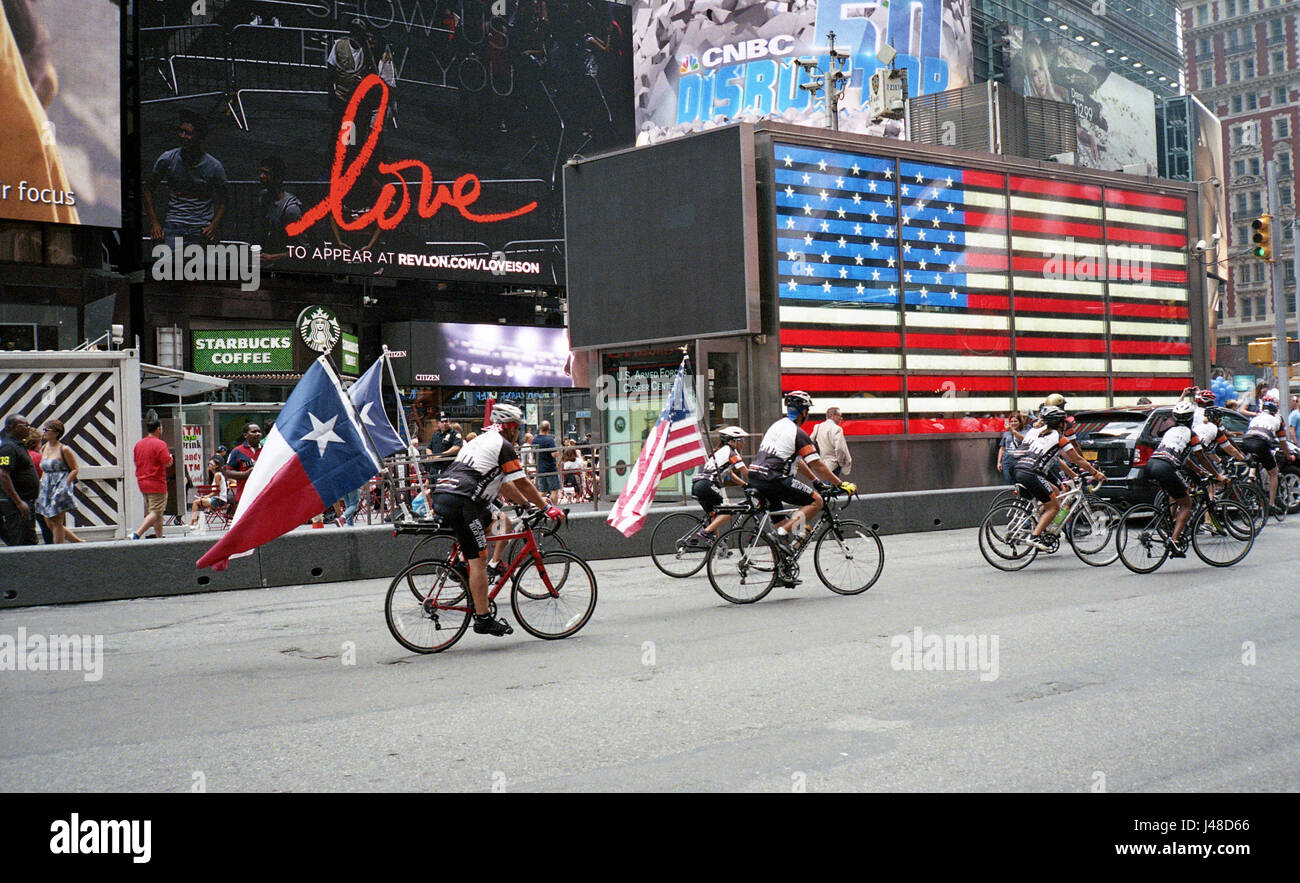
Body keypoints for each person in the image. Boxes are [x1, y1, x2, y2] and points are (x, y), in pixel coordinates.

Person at [430, 403, 563, 637]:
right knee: (478, 561)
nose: (519, 432)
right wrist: (546, 508)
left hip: (447, 494)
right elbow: (522, 482)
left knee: (497, 522)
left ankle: (461, 566)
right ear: (510, 427)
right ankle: (483, 618)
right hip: (464, 502)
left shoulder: (479, 441)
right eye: (517, 428)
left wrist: (524, 504)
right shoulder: (503, 445)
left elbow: (504, 483)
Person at [746, 392, 855, 584]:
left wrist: (815, 481)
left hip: (756, 477)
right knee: (817, 501)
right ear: (803, 412)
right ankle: (782, 533)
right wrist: (839, 484)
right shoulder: (799, 433)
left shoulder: (777, 426)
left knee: (780, 522)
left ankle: (780, 574)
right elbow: (818, 464)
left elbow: (800, 461)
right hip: (775, 479)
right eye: (808, 410)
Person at [1014, 406, 1106, 552]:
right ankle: (1035, 536)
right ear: (1060, 423)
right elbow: (1077, 459)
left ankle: (1040, 521)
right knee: (1054, 507)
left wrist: (1072, 474)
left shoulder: (1036, 432)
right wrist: (1096, 474)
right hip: (1033, 473)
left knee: (1056, 491)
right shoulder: (1059, 438)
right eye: (1064, 421)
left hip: (1019, 469)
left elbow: (1058, 459)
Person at [1142, 401, 1225, 556]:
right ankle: (1174, 540)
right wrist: (1217, 475)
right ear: (1191, 418)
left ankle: (1170, 521)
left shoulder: (1170, 431)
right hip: (1166, 467)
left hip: (1151, 464)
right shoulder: (1191, 434)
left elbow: (1185, 458)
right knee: (1187, 503)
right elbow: (1202, 458)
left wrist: (1198, 471)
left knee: (1174, 495)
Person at [143, 109, 228, 246]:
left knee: (206, 267)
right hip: (174, 226)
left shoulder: (214, 166)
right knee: (167, 266)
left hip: (201, 228)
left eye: (188, 133)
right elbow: (148, 189)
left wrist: (213, 226)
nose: (182, 136)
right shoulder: (167, 159)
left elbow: (225, 200)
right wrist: (154, 223)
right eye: (181, 131)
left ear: (199, 137)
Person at [690, 426, 749, 545]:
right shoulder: (732, 453)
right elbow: (745, 471)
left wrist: (745, 485)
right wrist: (759, 482)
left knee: (715, 514)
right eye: (741, 440)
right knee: (729, 510)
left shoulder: (721, 451)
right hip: (707, 485)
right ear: (732, 441)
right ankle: (706, 532)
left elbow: (731, 474)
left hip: (698, 485)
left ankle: (717, 546)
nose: (743, 443)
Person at [1240, 398, 1291, 513]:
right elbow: (1283, 442)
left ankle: (1249, 480)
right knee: (1273, 473)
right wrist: (1288, 456)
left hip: (1246, 442)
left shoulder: (1256, 417)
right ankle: (1271, 504)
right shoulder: (1278, 419)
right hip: (1261, 443)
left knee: (1254, 462)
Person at [35, 419, 81, 544]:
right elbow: (43, 468)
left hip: (60, 485)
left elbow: (75, 469)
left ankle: (58, 550)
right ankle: (78, 542)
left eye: (46, 430)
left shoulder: (64, 449)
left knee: (57, 520)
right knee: (48, 521)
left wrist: (65, 484)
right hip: (46, 485)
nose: (43, 432)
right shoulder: (44, 447)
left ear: (56, 432)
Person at [255, 155, 304, 264]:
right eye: (261, 172)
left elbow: (302, 250)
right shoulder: (263, 198)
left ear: (278, 177)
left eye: (267, 173)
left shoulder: (291, 210)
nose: (261, 176)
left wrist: (273, 258)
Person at [0, 414, 40, 546]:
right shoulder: (8, 448)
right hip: (17, 504)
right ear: (11, 428)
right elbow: (3, 475)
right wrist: (18, 502)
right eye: (24, 426)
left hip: (26, 501)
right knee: (19, 541)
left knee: (30, 540)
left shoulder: (18, 445)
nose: (28, 428)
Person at [130, 417, 173, 540]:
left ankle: (159, 538)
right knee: (155, 512)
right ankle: (137, 534)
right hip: (157, 482)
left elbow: (136, 460)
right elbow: (167, 462)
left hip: (142, 481)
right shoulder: (160, 444)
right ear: (158, 429)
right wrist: (171, 458)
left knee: (157, 512)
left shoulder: (139, 444)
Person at [223, 422, 263, 506]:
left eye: (259, 431)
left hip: (263, 496)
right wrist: (245, 474)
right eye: (254, 432)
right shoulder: (237, 451)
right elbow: (228, 472)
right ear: (245, 435)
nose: (257, 434)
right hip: (244, 497)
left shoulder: (266, 449)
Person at [187, 455, 229, 532]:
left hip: (219, 500)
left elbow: (217, 491)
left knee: (196, 503)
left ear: (216, 466)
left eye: (211, 464)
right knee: (197, 502)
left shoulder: (217, 475)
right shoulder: (217, 475)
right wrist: (206, 496)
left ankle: (193, 523)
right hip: (218, 499)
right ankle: (194, 523)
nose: (209, 466)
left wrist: (206, 496)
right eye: (208, 464)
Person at [810, 406, 852, 478]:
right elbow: (840, 448)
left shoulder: (818, 427)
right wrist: (841, 462)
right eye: (839, 416)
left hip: (821, 464)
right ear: (833, 416)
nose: (841, 418)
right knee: (832, 485)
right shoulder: (837, 429)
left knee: (826, 485)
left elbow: (810, 442)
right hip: (834, 464)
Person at [532, 420, 560, 504]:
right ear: (548, 429)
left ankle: (538, 506)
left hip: (540, 469)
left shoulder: (535, 440)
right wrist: (557, 452)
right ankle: (554, 508)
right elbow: (554, 454)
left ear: (540, 428)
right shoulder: (550, 440)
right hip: (550, 469)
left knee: (542, 491)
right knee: (554, 490)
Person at [997, 412, 1026, 486]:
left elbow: (1023, 439)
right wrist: (999, 462)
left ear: (1020, 422)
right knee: (1008, 482)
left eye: (1015, 421)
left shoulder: (1024, 432)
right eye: (1011, 421)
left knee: (1019, 483)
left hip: (1019, 462)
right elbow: (1002, 448)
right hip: (1007, 462)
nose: (1013, 423)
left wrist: (1013, 431)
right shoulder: (1006, 434)